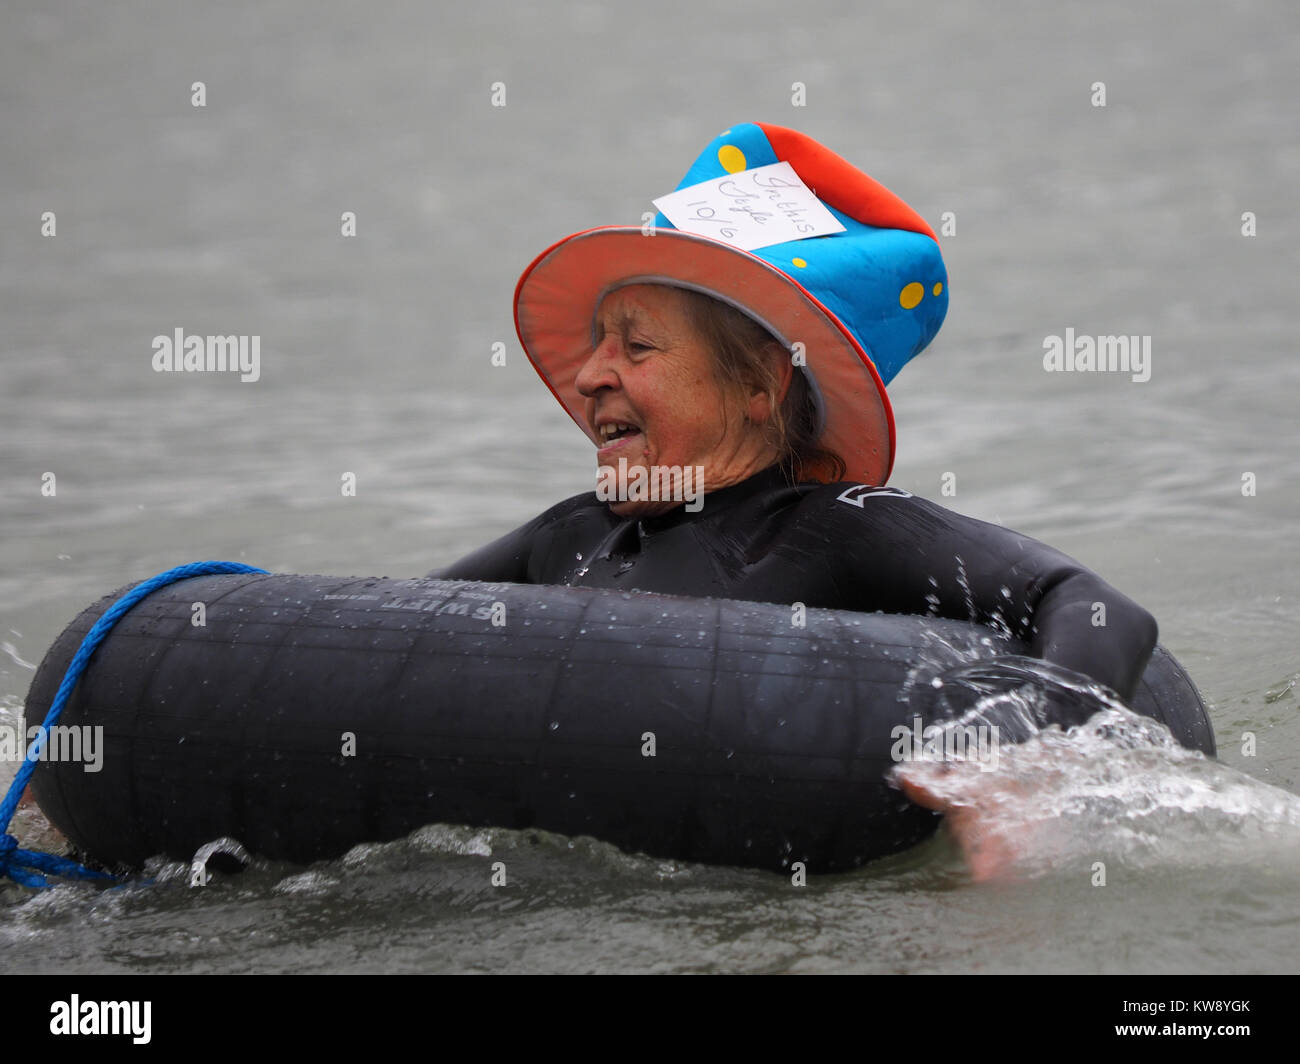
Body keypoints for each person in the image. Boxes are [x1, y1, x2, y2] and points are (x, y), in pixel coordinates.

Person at [433, 124, 1158, 874]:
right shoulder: (566, 537)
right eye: (596, 344)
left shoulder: (835, 529)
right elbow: (381, 643)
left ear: (759, 385)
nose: (587, 377)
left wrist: (1022, 760)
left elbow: (1094, 607)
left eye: (636, 346)